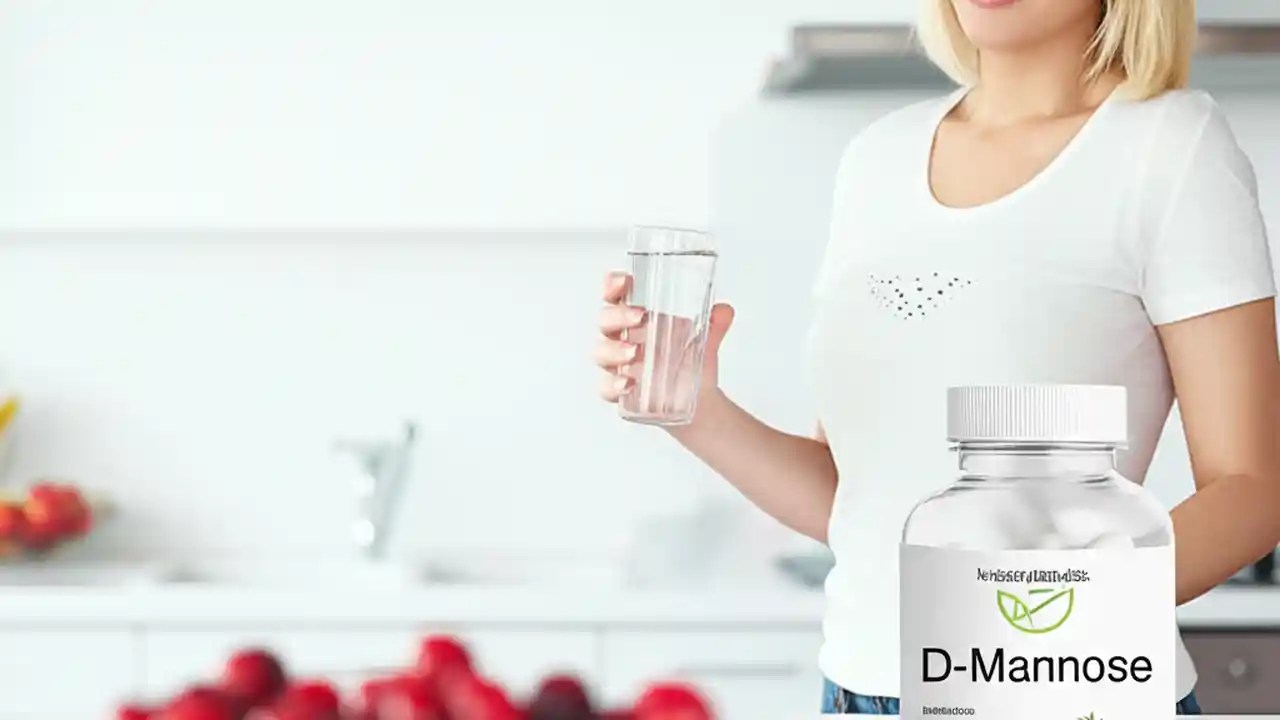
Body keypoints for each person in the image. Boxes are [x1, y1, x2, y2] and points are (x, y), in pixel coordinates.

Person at [595, 0, 1280, 714]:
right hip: (857, 692)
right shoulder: (876, 160)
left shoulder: (1168, 147)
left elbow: (1255, 487)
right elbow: (853, 499)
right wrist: (695, 408)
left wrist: (1035, 618)